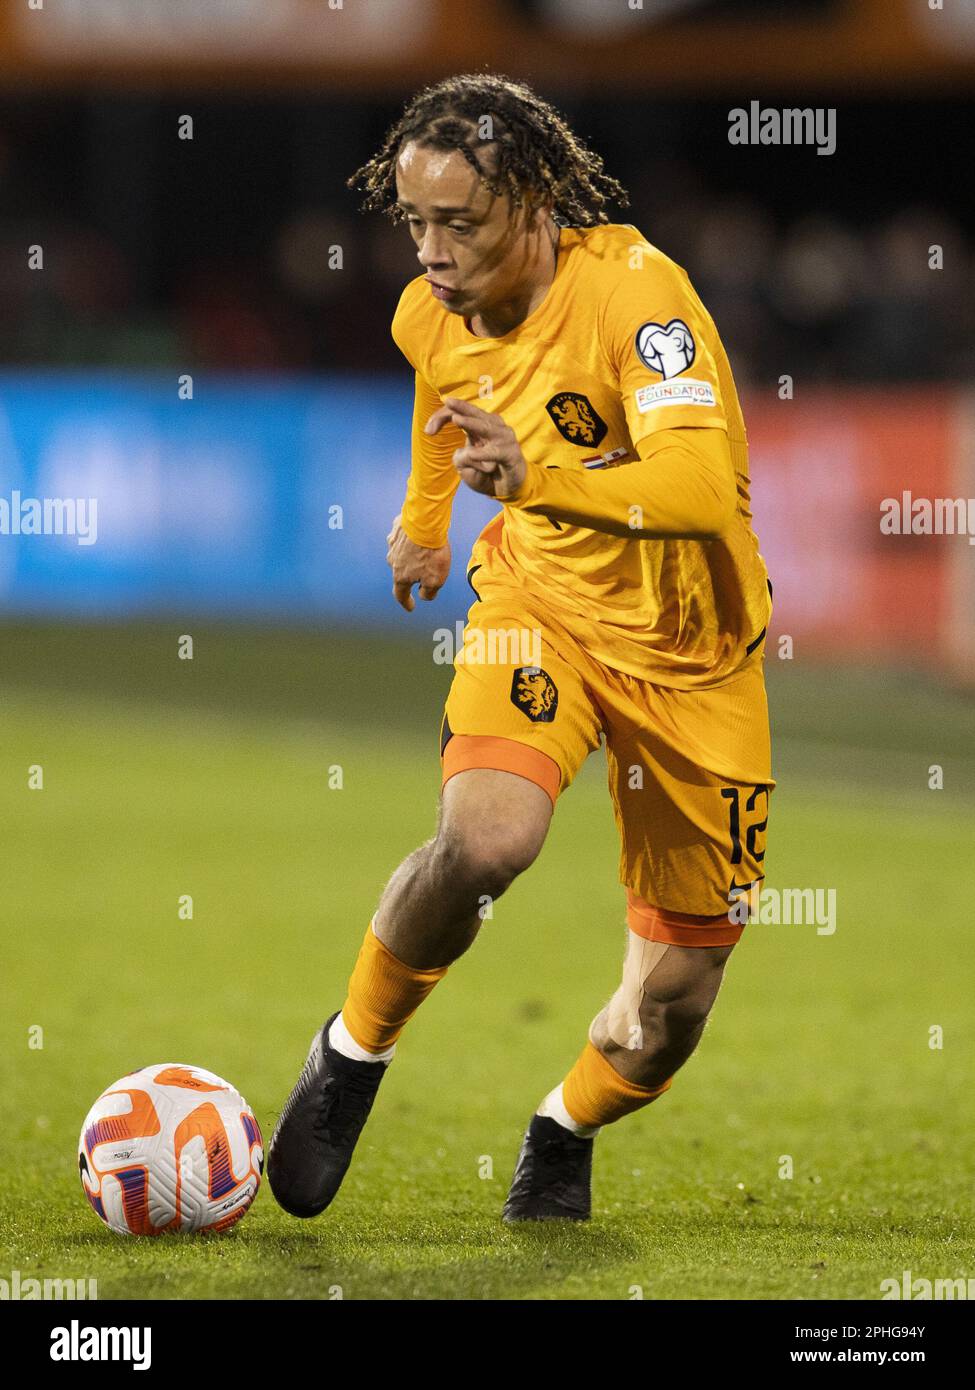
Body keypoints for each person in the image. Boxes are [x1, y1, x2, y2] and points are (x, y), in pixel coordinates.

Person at [268, 73, 774, 1223]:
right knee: (488, 838)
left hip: (698, 656)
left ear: (537, 201)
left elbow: (699, 486)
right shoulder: (425, 311)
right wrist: (424, 520)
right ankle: (351, 1053)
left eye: (463, 223)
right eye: (417, 224)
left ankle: (565, 1121)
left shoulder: (639, 300)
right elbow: (445, 398)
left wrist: (535, 475)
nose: (435, 253)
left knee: (672, 1008)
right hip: (539, 604)